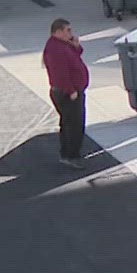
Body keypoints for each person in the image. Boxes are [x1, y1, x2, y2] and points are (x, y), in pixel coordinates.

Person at [42, 19, 90, 169]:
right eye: (68, 30)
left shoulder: (62, 45)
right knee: (74, 125)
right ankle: (71, 155)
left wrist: (76, 46)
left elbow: (75, 57)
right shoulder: (55, 49)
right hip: (67, 93)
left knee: (70, 123)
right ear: (58, 31)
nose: (71, 33)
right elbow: (59, 74)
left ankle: (68, 153)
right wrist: (71, 91)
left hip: (71, 90)